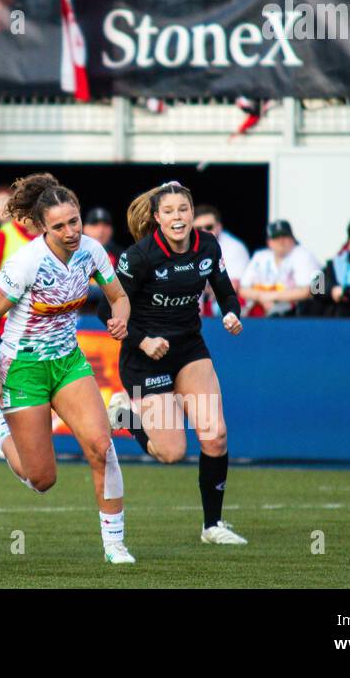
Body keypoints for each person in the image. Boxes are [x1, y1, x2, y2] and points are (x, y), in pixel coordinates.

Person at [0, 174, 136, 564]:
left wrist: (121, 319)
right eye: (59, 225)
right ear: (43, 227)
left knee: (102, 446)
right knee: (42, 480)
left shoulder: (93, 251)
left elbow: (119, 297)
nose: (70, 231)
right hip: (23, 366)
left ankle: (115, 544)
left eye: (74, 221)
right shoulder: (26, 262)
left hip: (67, 361)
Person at [106, 181, 248, 545]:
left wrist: (231, 313)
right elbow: (106, 307)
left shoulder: (207, 245)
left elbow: (225, 290)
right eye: (168, 212)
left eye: (183, 210)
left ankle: (212, 526)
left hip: (188, 350)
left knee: (215, 436)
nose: (177, 217)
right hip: (144, 360)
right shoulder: (139, 256)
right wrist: (143, 340)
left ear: (191, 212)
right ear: (157, 218)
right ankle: (123, 414)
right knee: (171, 452)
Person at [240, 219, 323, 316]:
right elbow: (242, 289)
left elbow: (308, 292)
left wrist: (271, 297)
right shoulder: (260, 256)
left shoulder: (304, 255)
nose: (281, 241)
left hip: (300, 313)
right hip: (266, 306)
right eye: (276, 238)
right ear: (269, 242)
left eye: (284, 236)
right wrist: (261, 297)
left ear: (292, 239)